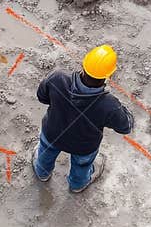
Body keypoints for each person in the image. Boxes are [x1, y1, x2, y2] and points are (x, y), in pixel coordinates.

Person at [33, 45, 134, 193]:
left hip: (52, 133)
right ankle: (77, 185)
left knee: (45, 153)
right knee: (82, 165)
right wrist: (121, 109)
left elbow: (42, 97)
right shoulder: (109, 105)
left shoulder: (57, 78)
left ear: (83, 64)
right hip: (84, 146)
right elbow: (125, 126)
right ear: (108, 76)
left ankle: (42, 172)